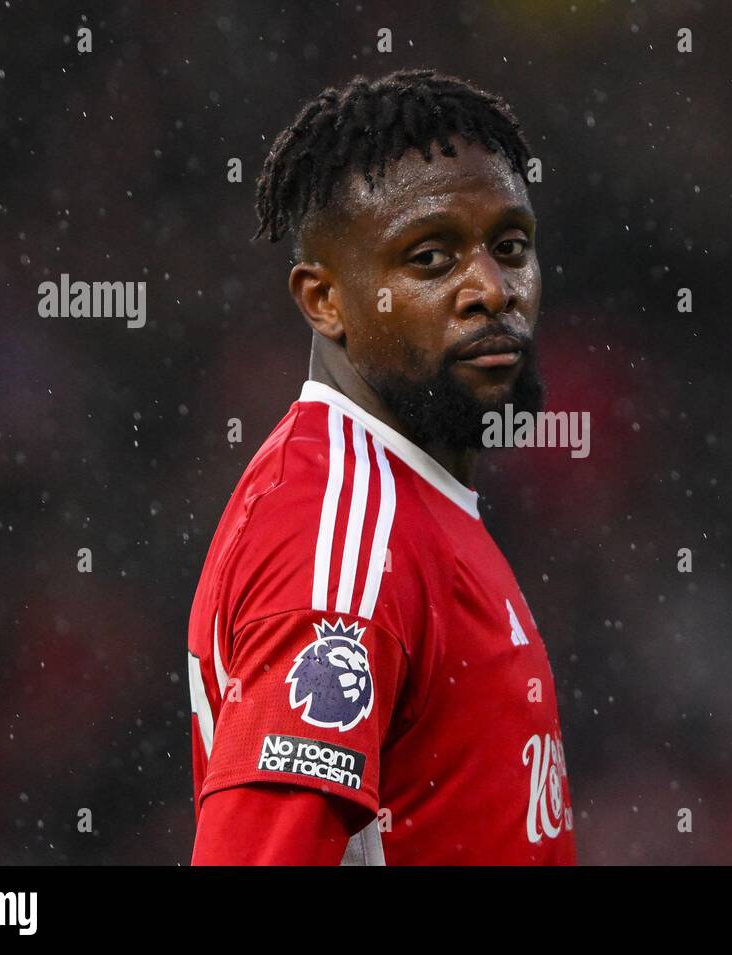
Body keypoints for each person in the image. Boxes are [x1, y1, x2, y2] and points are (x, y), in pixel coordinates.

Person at [186, 69, 575, 864]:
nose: (491, 290)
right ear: (324, 299)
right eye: (430, 258)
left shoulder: (412, 498)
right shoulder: (338, 540)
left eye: (510, 247)